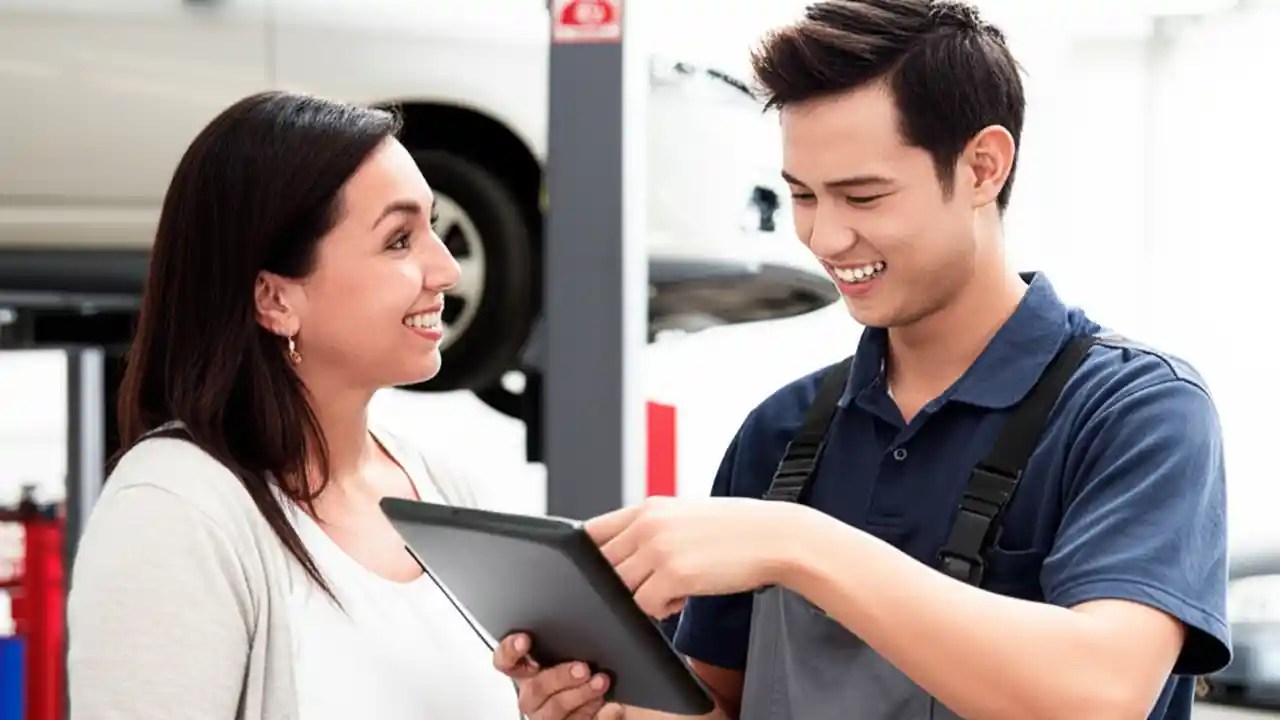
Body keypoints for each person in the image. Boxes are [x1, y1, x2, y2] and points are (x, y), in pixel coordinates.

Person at [492, 1, 1231, 718]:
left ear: (982, 167)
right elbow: (718, 704)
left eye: (864, 196)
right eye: (803, 195)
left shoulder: (1134, 411)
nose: (825, 237)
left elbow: (1098, 696)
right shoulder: (779, 434)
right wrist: (605, 707)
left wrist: (794, 544)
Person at [66, 91, 527, 719]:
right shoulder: (175, 511)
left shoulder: (451, 494)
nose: (446, 269)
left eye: (434, 229)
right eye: (399, 241)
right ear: (275, 299)